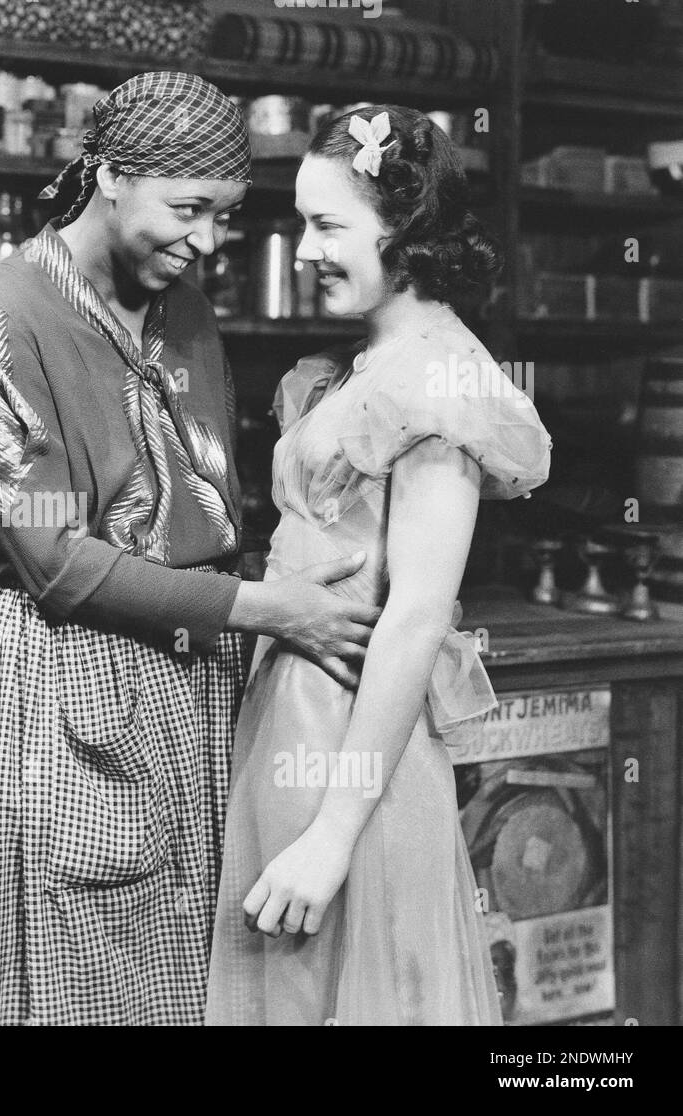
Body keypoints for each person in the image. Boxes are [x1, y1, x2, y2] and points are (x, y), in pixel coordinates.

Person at [0, 72, 381, 1027]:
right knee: (50, 991)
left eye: (224, 216)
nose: (205, 240)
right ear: (112, 175)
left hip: (186, 681)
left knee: (168, 992)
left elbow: (209, 512)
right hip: (44, 689)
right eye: (188, 208)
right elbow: (58, 565)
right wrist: (268, 610)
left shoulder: (188, 311)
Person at [205, 105, 552, 1025]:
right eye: (301, 223)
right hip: (293, 719)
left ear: (403, 229)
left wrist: (333, 832)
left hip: (354, 754)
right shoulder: (364, 364)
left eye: (327, 225)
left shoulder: (441, 380)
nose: (305, 248)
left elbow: (415, 615)